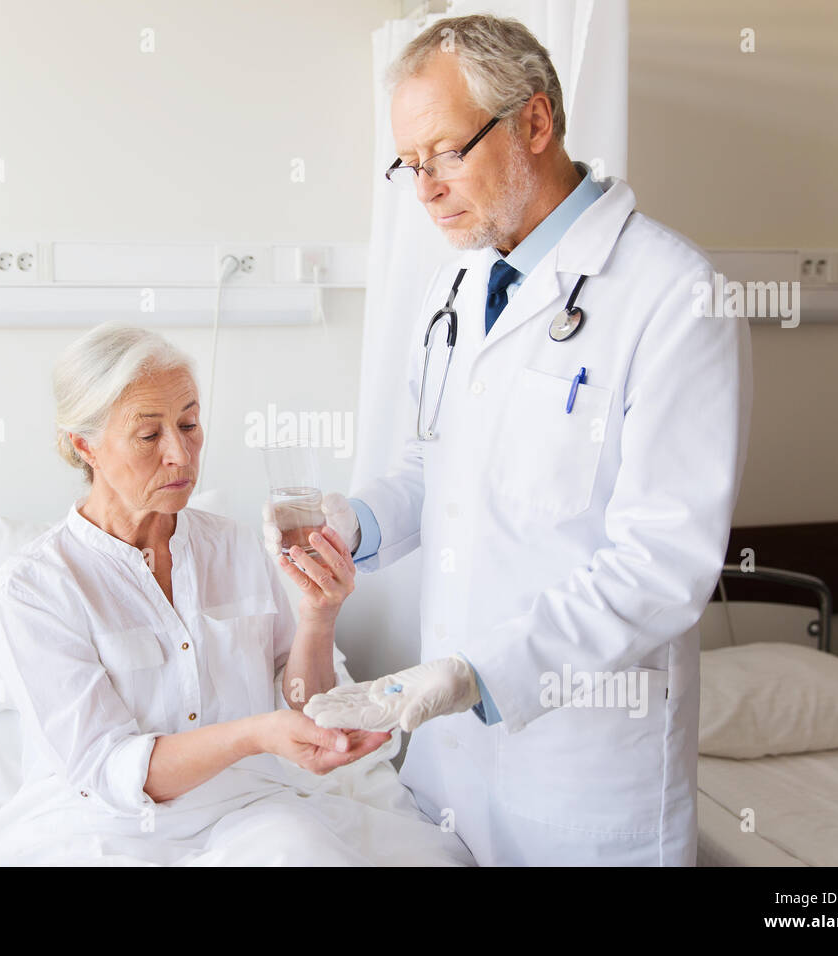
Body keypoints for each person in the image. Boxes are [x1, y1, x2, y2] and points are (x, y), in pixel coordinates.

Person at [294, 14, 752, 865]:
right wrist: (353, 521)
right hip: (449, 767)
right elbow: (434, 468)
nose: (424, 188)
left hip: (583, 773)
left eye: (445, 152)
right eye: (409, 163)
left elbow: (662, 566)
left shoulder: (673, 296)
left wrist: (477, 673)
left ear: (535, 123)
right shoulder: (461, 286)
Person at [0, 323, 474, 865]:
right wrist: (255, 735)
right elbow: (111, 769)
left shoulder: (235, 547)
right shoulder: (34, 588)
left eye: (190, 424)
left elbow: (302, 701)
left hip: (250, 811)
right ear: (85, 446)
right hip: (107, 825)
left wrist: (317, 616)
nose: (180, 453)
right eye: (149, 436)